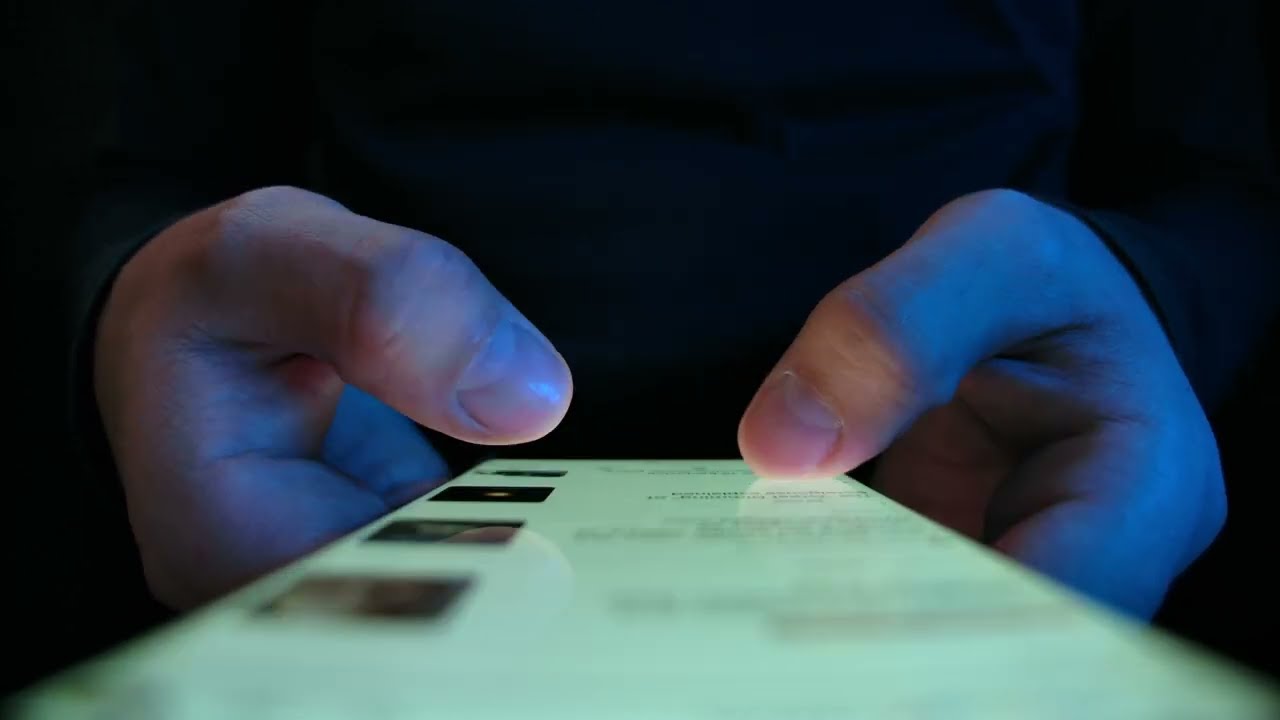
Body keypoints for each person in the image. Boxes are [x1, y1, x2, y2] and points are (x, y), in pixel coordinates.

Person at [69, 0, 1279, 621]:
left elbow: (1222, 167)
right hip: (366, 497)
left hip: (970, 499)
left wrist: (1145, 299)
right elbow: (107, 145)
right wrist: (132, 302)